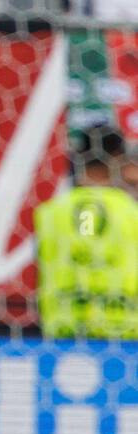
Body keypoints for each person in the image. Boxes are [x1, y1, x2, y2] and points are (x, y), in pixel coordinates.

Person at [34, 124, 138, 340]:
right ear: (118, 156)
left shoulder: (50, 214)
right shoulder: (131, 213)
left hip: (63, 334)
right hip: (125, 337)